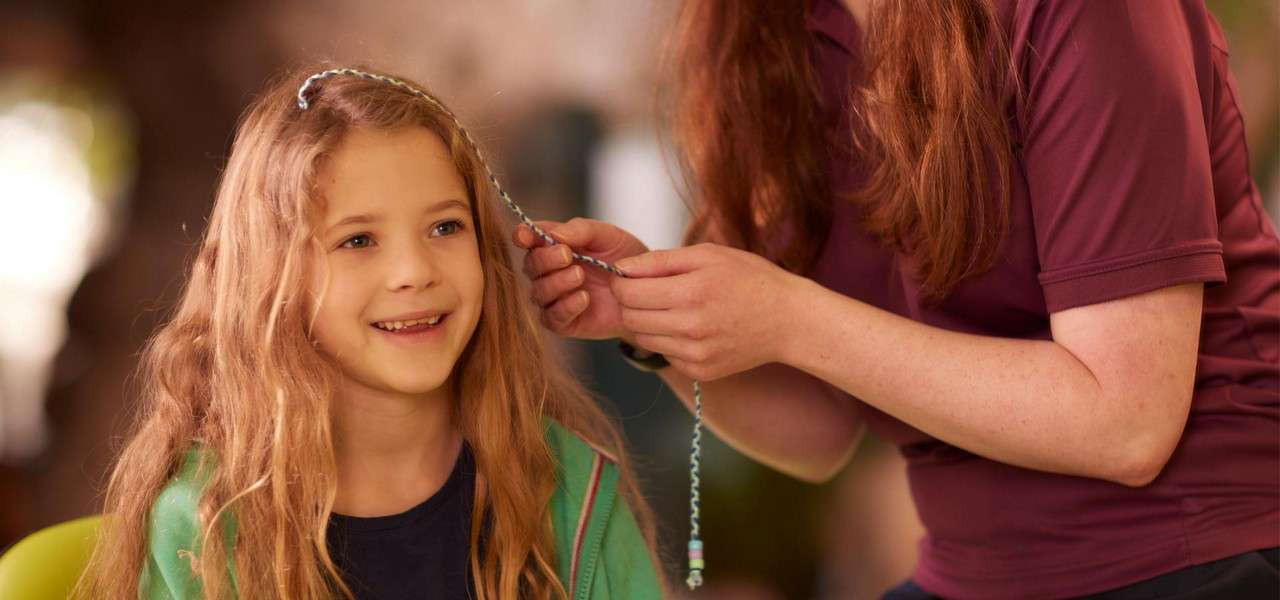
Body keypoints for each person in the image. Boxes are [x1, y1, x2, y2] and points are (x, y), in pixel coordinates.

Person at [516, 0, 1280, 597]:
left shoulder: (1086, 15)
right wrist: (648, 323)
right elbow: (819, 431)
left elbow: (1127, 423)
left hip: (1196, 552)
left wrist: (791, 316)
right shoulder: (771, 35)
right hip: (971, 573)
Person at [76, 66, 663, 599]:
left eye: (445, 227)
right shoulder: (204, 525)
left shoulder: (568, 489)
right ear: (272, 281)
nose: (413, 272)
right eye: (357, 240)